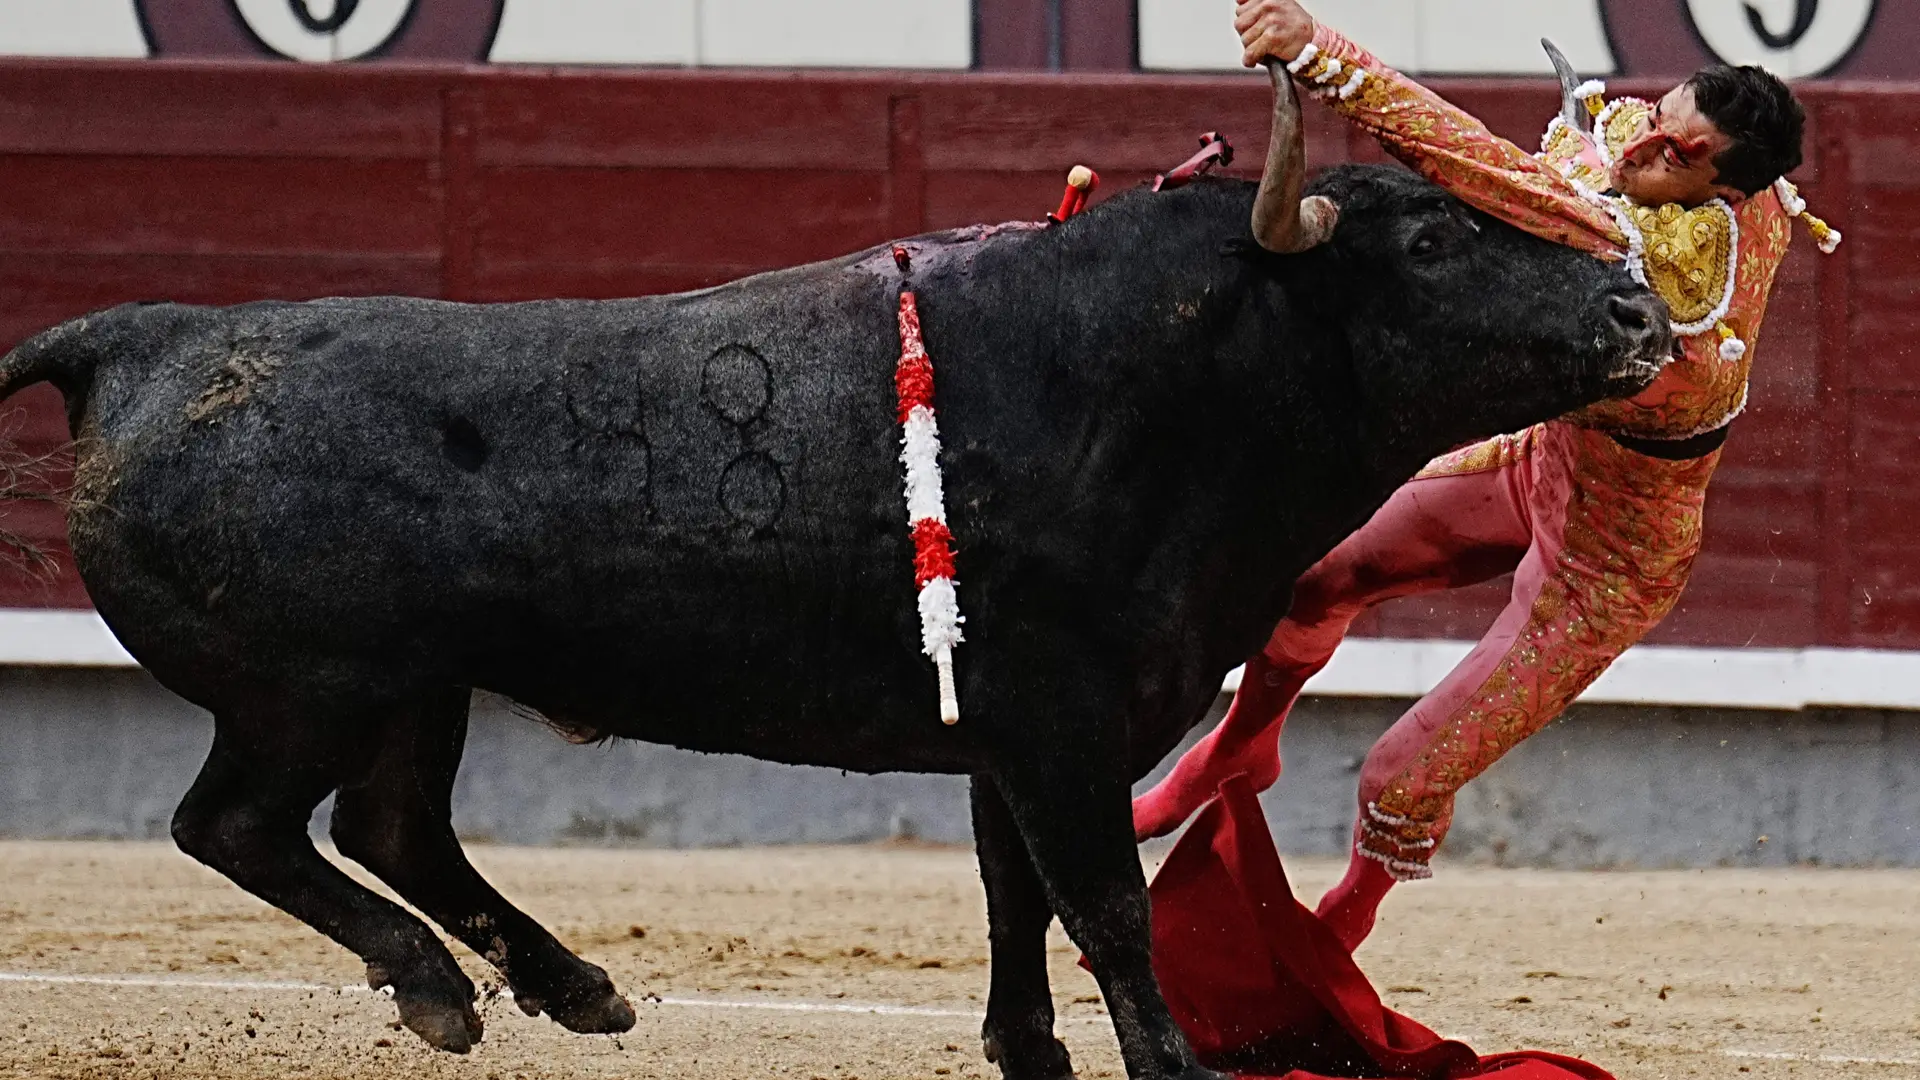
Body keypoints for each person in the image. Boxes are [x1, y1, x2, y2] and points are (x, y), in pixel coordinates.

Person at [1134, 0, 1840, 952]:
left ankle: (1339, 928)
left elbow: (1489, 171)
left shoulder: (1671, 271)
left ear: (1725, 192)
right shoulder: (1695, 165)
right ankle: (1238, 751)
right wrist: (1619, 143)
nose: (1644, 147)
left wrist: (1325, 55)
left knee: (1398, 774)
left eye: (1680, 154)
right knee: (1314, 578)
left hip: (1614, 561)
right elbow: (1628, 144)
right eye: (1658, 120)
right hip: (1539, 459)